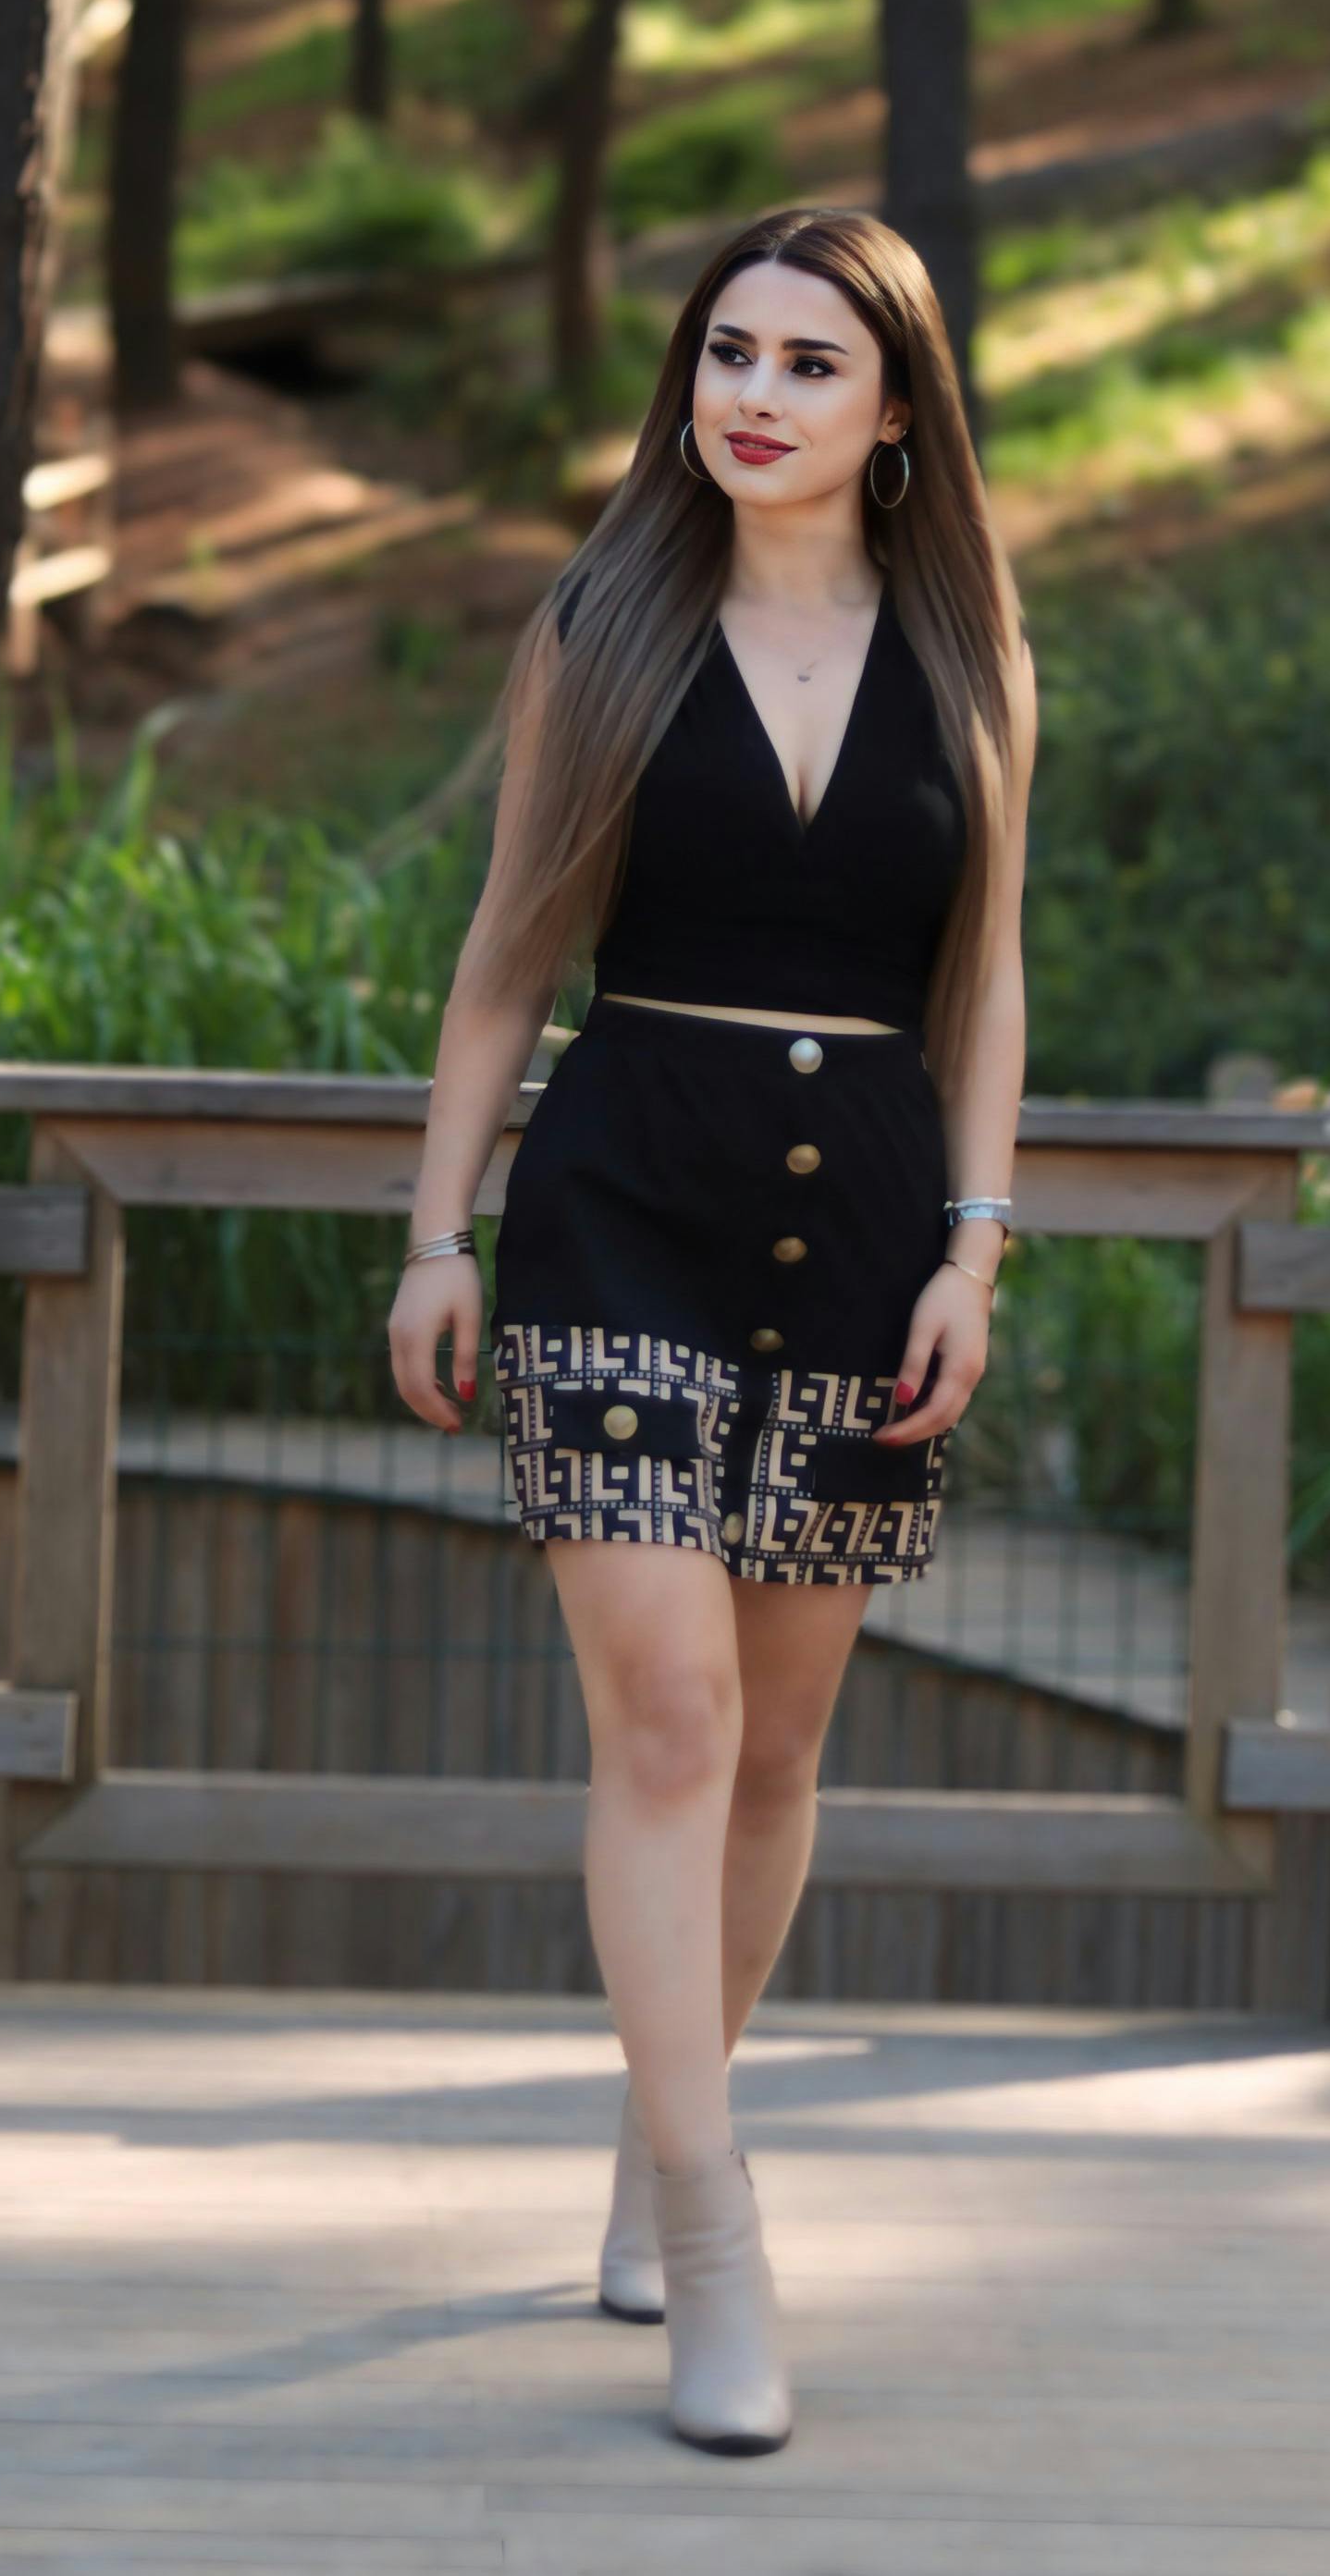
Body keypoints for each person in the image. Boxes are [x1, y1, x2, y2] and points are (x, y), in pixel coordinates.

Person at [388, 207, 1034, 2455]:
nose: (752, 396)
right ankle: (715, 2223)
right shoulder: (604, 624)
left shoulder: (972, 654)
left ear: (895, 411)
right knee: (666, 1721)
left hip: (861, 1226)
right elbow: (505, 950)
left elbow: (987, 976)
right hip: (621, 1208)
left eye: (807, 364)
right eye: (726, 353)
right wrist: (436, 1234)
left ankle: (660, 2127)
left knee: (772, 1750)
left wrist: (971, 1250)